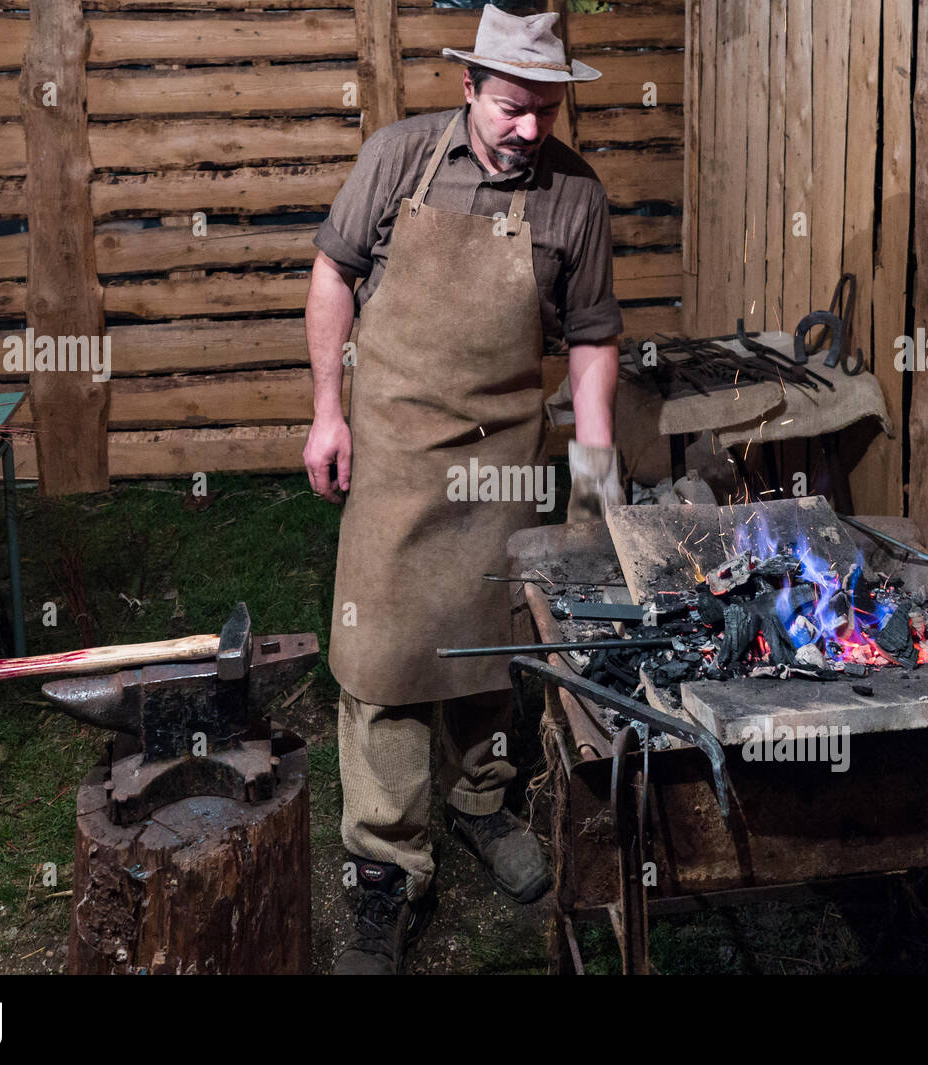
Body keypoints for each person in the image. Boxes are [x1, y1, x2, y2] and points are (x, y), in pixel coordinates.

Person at [303, 3, 625, 975]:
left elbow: (593, 337)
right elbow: (332, 275)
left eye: (547, 111)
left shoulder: (575, 198)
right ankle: (384, 867)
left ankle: (482, 799)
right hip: (397, 447)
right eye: (513, 108)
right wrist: (327, 409)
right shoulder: (398, 159)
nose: (529, 130)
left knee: (493, 647)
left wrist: (596, 463)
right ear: (470, 88)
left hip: (504, 457)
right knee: (383, 657)